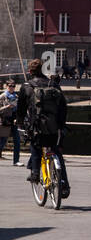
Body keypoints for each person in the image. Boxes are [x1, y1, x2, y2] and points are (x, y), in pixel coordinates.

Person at [16, 58, 70, 199]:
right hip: (55, 127)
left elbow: (21, 109)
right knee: (57, 152)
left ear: (30, 71)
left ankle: (34, 173)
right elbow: (63, 106)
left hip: (37, 127)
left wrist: (20, 123)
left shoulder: (27, 86)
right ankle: (63, 183)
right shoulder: (53, 84)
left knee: (35, 147)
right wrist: (62, 125)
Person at [0, 79, 19, 165]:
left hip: (14, 119)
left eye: (13, 86)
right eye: (10, 86)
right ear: (6, 86)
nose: (12, 87)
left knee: (17, 141)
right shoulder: (3, 96)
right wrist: (7, 106)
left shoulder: (16, 96)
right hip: (5, 119)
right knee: (3, 140)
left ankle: (16, 160)